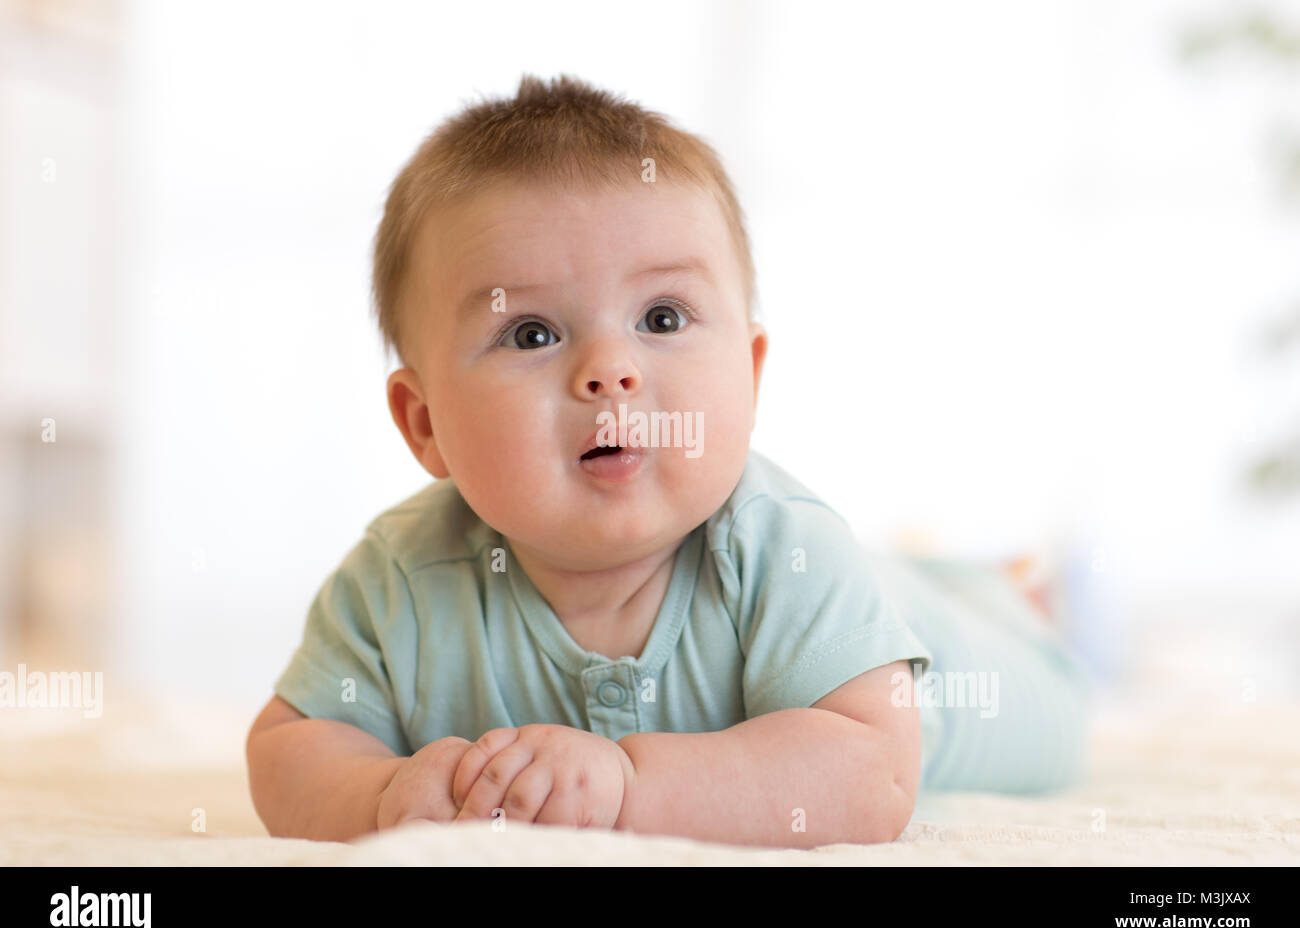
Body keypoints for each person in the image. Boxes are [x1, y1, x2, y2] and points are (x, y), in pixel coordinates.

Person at [245, 74, 1092, 849]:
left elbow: (874, 774)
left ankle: (987, 591)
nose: (611, 370)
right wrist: (383, 794)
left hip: (972, 655)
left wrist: (627, 786)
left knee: (1054, 712)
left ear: (750, 375)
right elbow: (291, 744)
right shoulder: (400, 580)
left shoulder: (779, 550)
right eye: (532, 333)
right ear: (424, 423)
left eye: (661, 318)